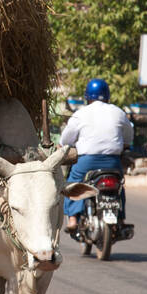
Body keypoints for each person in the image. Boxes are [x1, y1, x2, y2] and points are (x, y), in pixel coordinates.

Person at [59, 78, 134, 231]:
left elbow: (65, 139)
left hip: (86, 162)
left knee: (74, 183)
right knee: (119, 187)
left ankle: (72, 219)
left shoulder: (80, 114)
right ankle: (121, 218)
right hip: (112, 162)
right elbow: (129, 135)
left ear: (87, 97)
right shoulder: (118, 112)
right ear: (107, 96)